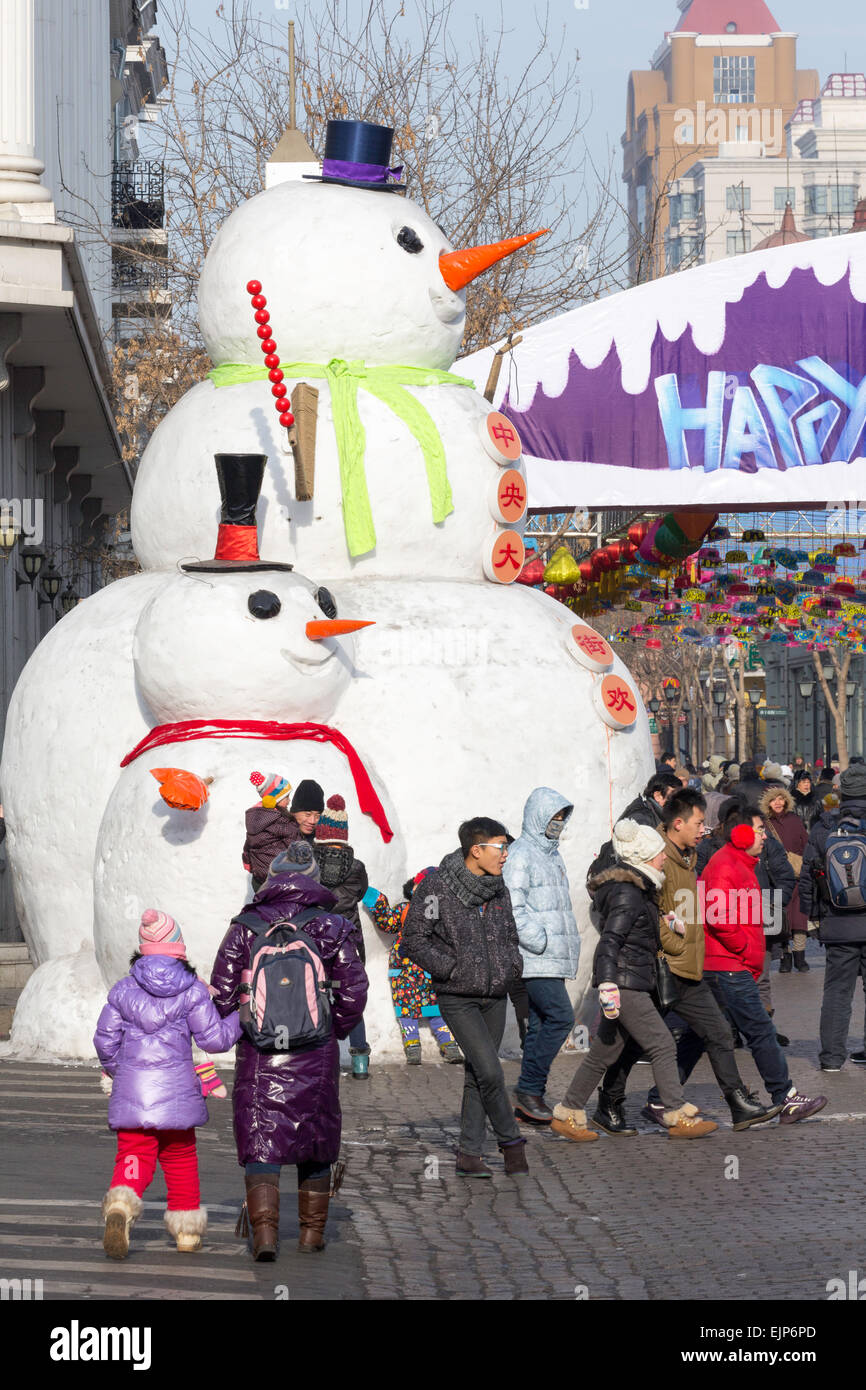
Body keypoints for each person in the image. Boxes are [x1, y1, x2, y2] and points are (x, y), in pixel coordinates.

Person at [210, 840, 367, 1257]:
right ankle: (312, 1234)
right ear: (314, 881)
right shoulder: (331, 925)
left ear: (270, 880)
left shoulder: (245, 926)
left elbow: (222, 994)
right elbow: (354, 987)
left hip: (262, 1054)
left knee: (262, 1137)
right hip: (316, 1052)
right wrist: (332, 1029)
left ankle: (264, 1234)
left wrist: (247, 1022)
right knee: (315, 1138)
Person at [599, 791, 776, 1133]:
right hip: (662, 967)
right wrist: (671, 944)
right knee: (630, 1041)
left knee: (719, 1031)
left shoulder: (687, 855)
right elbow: (651, 913)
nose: (703, 828)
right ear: (677, 823)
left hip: (688, 967)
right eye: (698, 822)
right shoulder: (657, 855)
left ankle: (738, 1104)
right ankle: (609, 1101)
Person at [550, 819, 718, 1142]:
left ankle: (568, 1112)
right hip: (625, 984)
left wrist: (663, 919)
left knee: (604, 1051)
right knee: (663, 1043)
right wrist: (609, 984)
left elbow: (631, 928)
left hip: (631, 978)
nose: (664, 858)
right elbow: (610, 941)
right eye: (658, 854)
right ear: (643, 858)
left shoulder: (639, 889)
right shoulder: (630, 892)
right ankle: (676, 1114)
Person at [94, 909, 241, 1260]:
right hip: (177, 1094)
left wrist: (120, 1071)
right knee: (181, 1158)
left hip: (133, 1093)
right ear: (178, 948)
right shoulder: (192, 990)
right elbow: (215, 1039)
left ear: (143, 948)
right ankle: (187, 1234)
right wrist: (240, 1018)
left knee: (133, 1154)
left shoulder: (124, 989)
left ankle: (120, 1206)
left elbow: (104, 1041)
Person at [401, 817, 528, 1177]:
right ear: (477, 850)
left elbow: (509, 935)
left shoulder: (498, 887)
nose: (505, 855)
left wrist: (511, 967)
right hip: (458, 996)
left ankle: (470, 1154)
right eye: (500, 847)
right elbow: (414, 939)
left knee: (478, 1074)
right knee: (490, 1070)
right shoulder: (436, 888)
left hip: (495, 994)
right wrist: (450, 968)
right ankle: (511, 1142)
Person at [699, 811, 827, 1124]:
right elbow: (717, 917)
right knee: (760, 1030)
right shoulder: (725, 865)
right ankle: (785, 1097)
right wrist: (744, 950)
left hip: (730, 963)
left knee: (699, 1036)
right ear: (741, 835)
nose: (765, 836)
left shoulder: (740, 864)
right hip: (728, 964)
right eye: (759, 830)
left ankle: (659, 1100)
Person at [502, 788, 581, 1125]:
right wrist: (539, 940)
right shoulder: (521, 854)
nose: (558, 823)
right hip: (535, 955)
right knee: (561, 1017)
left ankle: (530, 1094)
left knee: (539, 1023)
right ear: (538, 817)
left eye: (562, 817)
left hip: (549, 955)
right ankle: (530, 1089)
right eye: (553, 817)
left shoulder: (552, 855)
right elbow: (513, 906)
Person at [800, 764, 866, 1072]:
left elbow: (807, 876)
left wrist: (813, 918)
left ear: (842, 793)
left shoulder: (824, 825)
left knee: (838, 993)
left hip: (838, 923)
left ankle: (831, 1058)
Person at [363, 870, 463, 1064]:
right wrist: (375, 900)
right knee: (407, 1012)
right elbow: (388, 923)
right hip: (405, 971)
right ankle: (413, 1048)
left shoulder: (443, 912)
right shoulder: (405, 909)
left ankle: (449, 1046)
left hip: (431, 970)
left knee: (436, 1010)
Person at [312, 794, 373, 1079]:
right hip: (347, 937)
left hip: (316, 938)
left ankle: (324, 1057)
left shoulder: (311, 862)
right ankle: (360, 1059)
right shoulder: (357, 866)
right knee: (350, 996)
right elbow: (360, 893)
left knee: (318, 995)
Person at [761, 787, 808, 974]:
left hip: (797, 877)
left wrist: (804, 866)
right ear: (768, 803)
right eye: (774, 800)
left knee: (799, 920)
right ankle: (785, 957)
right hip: (776, 878)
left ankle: (800, 956)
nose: (778, 802)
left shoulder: (795, 821)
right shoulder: (764, 824)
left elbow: (806, 844)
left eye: (781, 799)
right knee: (782, 919)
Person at [243, 771, 294, 892]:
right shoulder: (280, 819)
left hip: (259, 880)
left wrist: (248, 864)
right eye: (286, 797)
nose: (289, 800)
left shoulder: (254, 818)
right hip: (279, 880)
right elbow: (294, 844)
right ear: (275, 799)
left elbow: (248, 846)